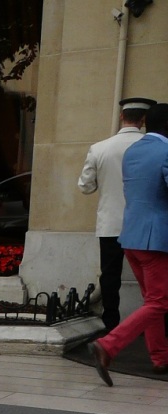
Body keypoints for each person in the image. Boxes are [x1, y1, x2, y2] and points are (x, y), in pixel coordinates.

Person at [88, 102, 168, 384]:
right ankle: (108, 345)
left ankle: (160, 358)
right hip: (155, 239)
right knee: (159, 302)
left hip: (131, 236)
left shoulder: (134, 151)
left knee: (153, 301)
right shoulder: (166, 150)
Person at [78, 96, 153, 331]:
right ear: (143, 119)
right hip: (144, 224)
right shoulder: (155, 147)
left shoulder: (99, 148)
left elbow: (85, 186)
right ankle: (155, 326)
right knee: (152, 280)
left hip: (111, 223)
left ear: (122, 116)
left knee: (110, 278)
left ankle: (111, 325)